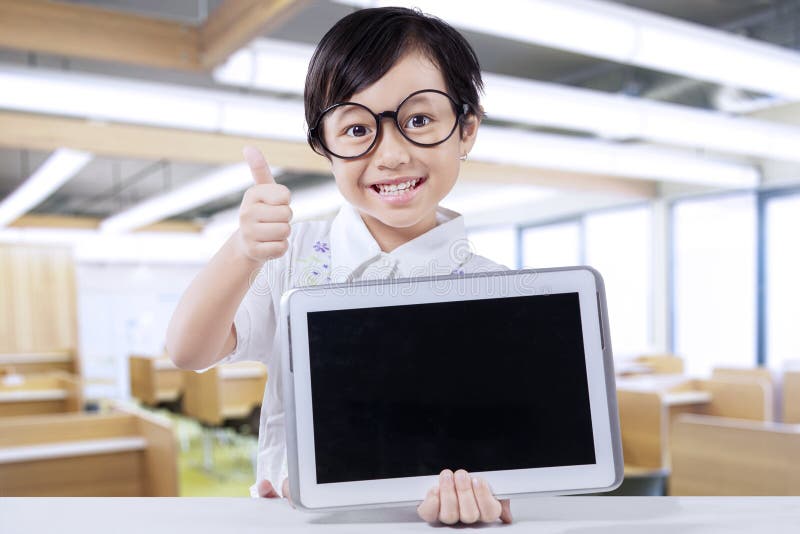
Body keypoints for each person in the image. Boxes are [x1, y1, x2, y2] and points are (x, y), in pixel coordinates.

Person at [166, 6, 512, 525]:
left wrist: (489, 496)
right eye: (356, 128)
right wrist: (242, 249)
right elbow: (188, 351)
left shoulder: (499, 292)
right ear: (323, 147)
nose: (391, 153)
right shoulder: (291, 258)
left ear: (465, 130)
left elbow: (506, 449)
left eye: (420, 120)